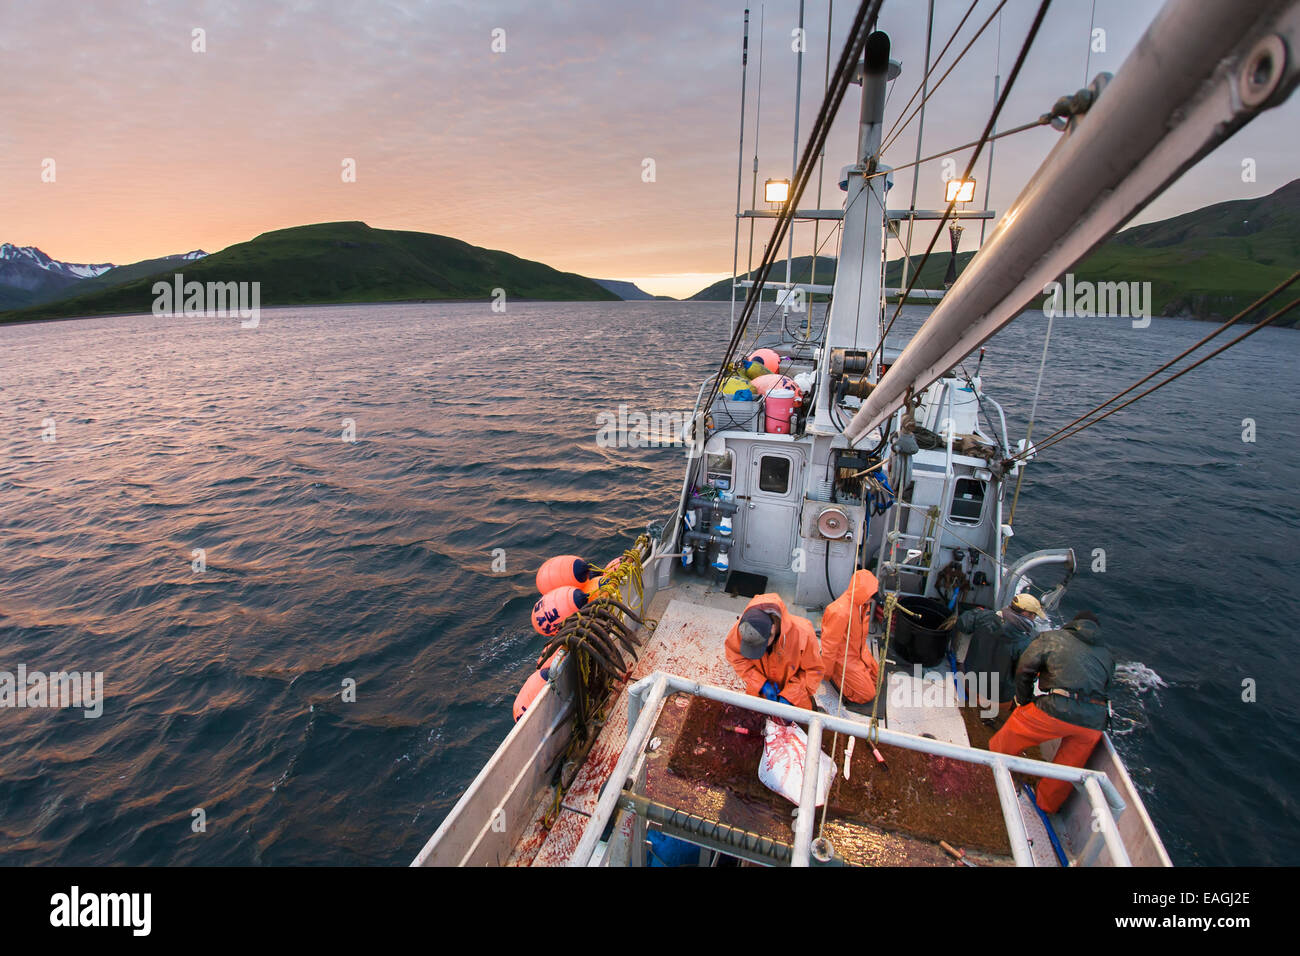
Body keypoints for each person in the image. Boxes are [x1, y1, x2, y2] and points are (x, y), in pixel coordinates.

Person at [989, 611, 1115, 813]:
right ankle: (1046, 806)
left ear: (1074, 624)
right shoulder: (1108, 655)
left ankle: (989, 772)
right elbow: (1104, 685)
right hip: (1094, 723)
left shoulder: (1053, 637)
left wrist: (1023, 700)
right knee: (1066, 769)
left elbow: (1025, 668)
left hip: (1056, 708)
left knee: (1010, 736)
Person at [724, 593, 824, 709]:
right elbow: (735, 657)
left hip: (795, 697)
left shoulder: (803, 633)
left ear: (772, 629)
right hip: (760, 691)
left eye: (760, 645)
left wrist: (790, 696)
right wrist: (761, 684)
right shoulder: (745, 626)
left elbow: (814, 671)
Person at [958, 592, 1046, 711]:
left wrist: (977, 611)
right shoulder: (1029, 642)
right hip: (998, 698)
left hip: (970, 683)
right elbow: (1026, 676)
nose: (1034, 618)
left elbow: (962, 623)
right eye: (1034, 615)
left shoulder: (985, 616)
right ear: (1026, 614)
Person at [819, 569, 880, 704]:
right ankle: (836, 674)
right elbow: (829, 645)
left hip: (858, 652)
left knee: (878, 679)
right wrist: (826, 673)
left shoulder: (863, 605)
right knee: (867, 695)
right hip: (844, 658)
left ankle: (856, 674)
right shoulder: (839, 611)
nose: (873, 599)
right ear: (863, 593)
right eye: (871, 595)